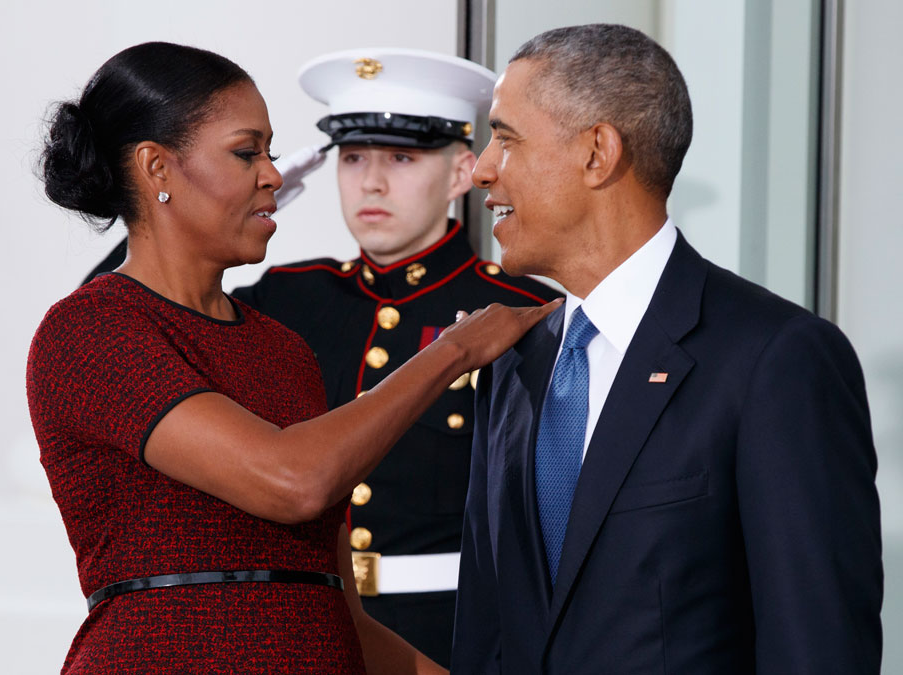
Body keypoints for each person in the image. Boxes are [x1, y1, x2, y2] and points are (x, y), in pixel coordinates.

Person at [27, 41, 557, 675]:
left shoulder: (280, 346)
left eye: (271, 154)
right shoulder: (91, 329)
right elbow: (294, 481)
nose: (275, 175)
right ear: (157, 168)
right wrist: (456, 350)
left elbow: (339, 613)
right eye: (247, 152)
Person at [452, 24, 883, 674]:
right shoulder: (512, 367)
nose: (480, 168)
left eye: (506, 139)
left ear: (598, 152)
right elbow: (487, 639)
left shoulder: (775, 359)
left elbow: (816, 647)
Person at [229, 48, 561, 667]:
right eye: (353, 158)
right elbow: (118, 327)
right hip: (305, 626)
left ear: (463, 173)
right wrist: (229, 205)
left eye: (402, 159)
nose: (371, 183)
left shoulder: (521, 312)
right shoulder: (288, 298)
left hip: (454, 630)